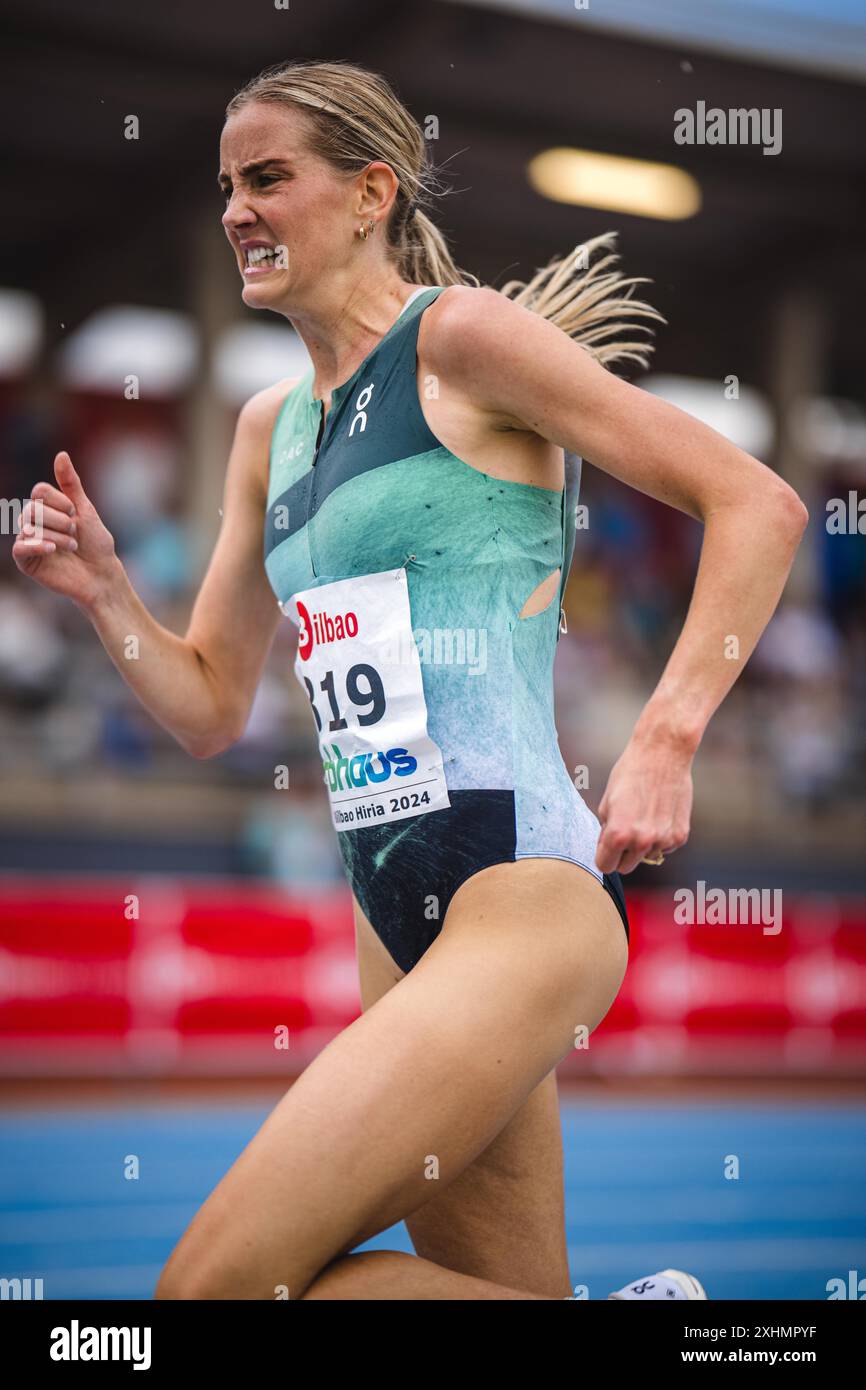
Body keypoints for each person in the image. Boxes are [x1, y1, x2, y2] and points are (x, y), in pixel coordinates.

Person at [13, 60, 807, 1301]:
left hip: (518, 898)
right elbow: (214, 705)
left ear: (371, 191)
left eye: (268, 178)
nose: (235, 209)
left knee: (210, 1291)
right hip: (394, 930)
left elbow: (753, 501)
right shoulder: (261, 426)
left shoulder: (462, 339)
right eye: (225, 185)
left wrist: (665, 735)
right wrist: (113, 601)